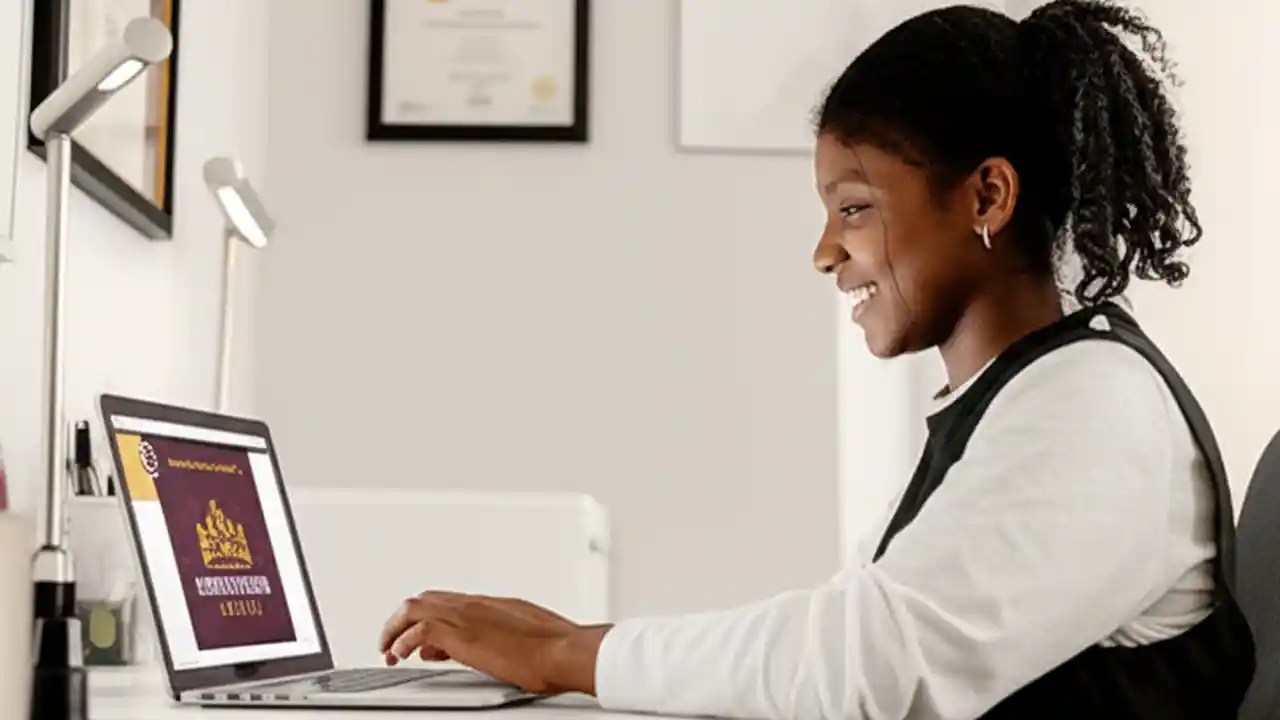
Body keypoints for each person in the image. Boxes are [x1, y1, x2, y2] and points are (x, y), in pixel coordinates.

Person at [377, 1, 1257, 717]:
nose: (825, 251)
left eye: (855, 208)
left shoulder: (1093, 402)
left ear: (987, 194)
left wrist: (570, 654)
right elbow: (843, 637)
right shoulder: (1018, 398)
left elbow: (870, 668)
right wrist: (577, 646)